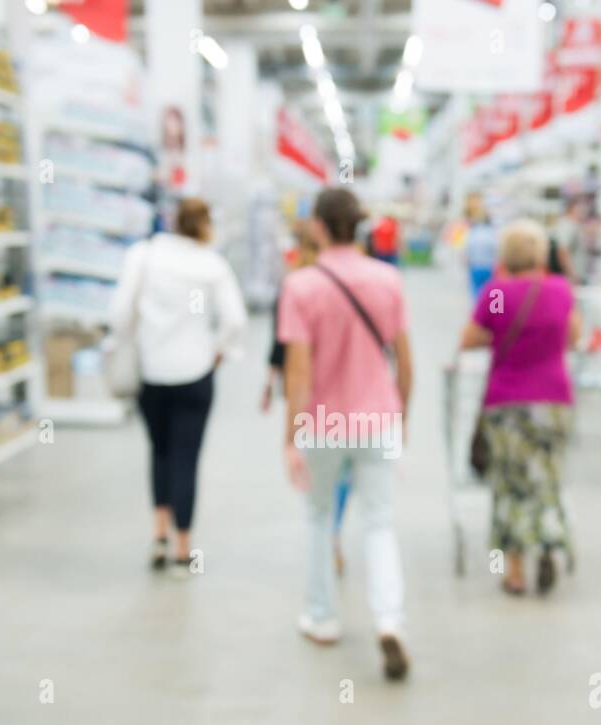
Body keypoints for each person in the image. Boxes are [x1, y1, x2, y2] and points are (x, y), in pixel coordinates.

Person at [279, 188, 414, 680]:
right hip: (377, 417)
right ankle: (390, 621)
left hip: (324, 420)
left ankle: (323, 617)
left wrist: (290, 435)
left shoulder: (301, 287)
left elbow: (297, 370)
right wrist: (404, 418)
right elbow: (405, 361)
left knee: (318, 518)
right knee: (379, 522)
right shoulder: (388, 280)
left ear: (317, 226)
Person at [110, 197, 247, 578]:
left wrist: (131, 341)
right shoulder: (211, 265)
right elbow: (234, 320)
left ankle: (158, 533)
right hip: (195, 373)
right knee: (187, 457)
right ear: (204, 225)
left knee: (159, 451)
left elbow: (120, 313)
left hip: (152, 372)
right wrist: (220, 353)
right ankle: (183, 548)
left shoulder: (144, 256)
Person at [458, 219, 578, 597]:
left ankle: (514, 570)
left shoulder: (497, 293)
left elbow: (470, 339)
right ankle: (548, 544)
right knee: (547, 479)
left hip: (507, 400)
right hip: (554, 400)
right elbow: (573, 335)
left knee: (510, 484)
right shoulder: (561, 291)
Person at [263, 221, 353, 576]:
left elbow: (280, 345)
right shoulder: (348, 281)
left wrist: (272, 380)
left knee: (317, 467)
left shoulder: (293, 287)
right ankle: (332, 530)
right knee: (344, 468)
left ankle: (324, 528)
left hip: (307, 392)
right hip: (345, 388)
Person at [465, 212, 498, 300]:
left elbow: (467, 249)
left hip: (475, 265)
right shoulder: (492, 233)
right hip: (489, 266)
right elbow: (496, 250)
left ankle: (478, 306)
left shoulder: (472, 232)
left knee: (476, 289)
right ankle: (488, 308)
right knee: (490, 290)